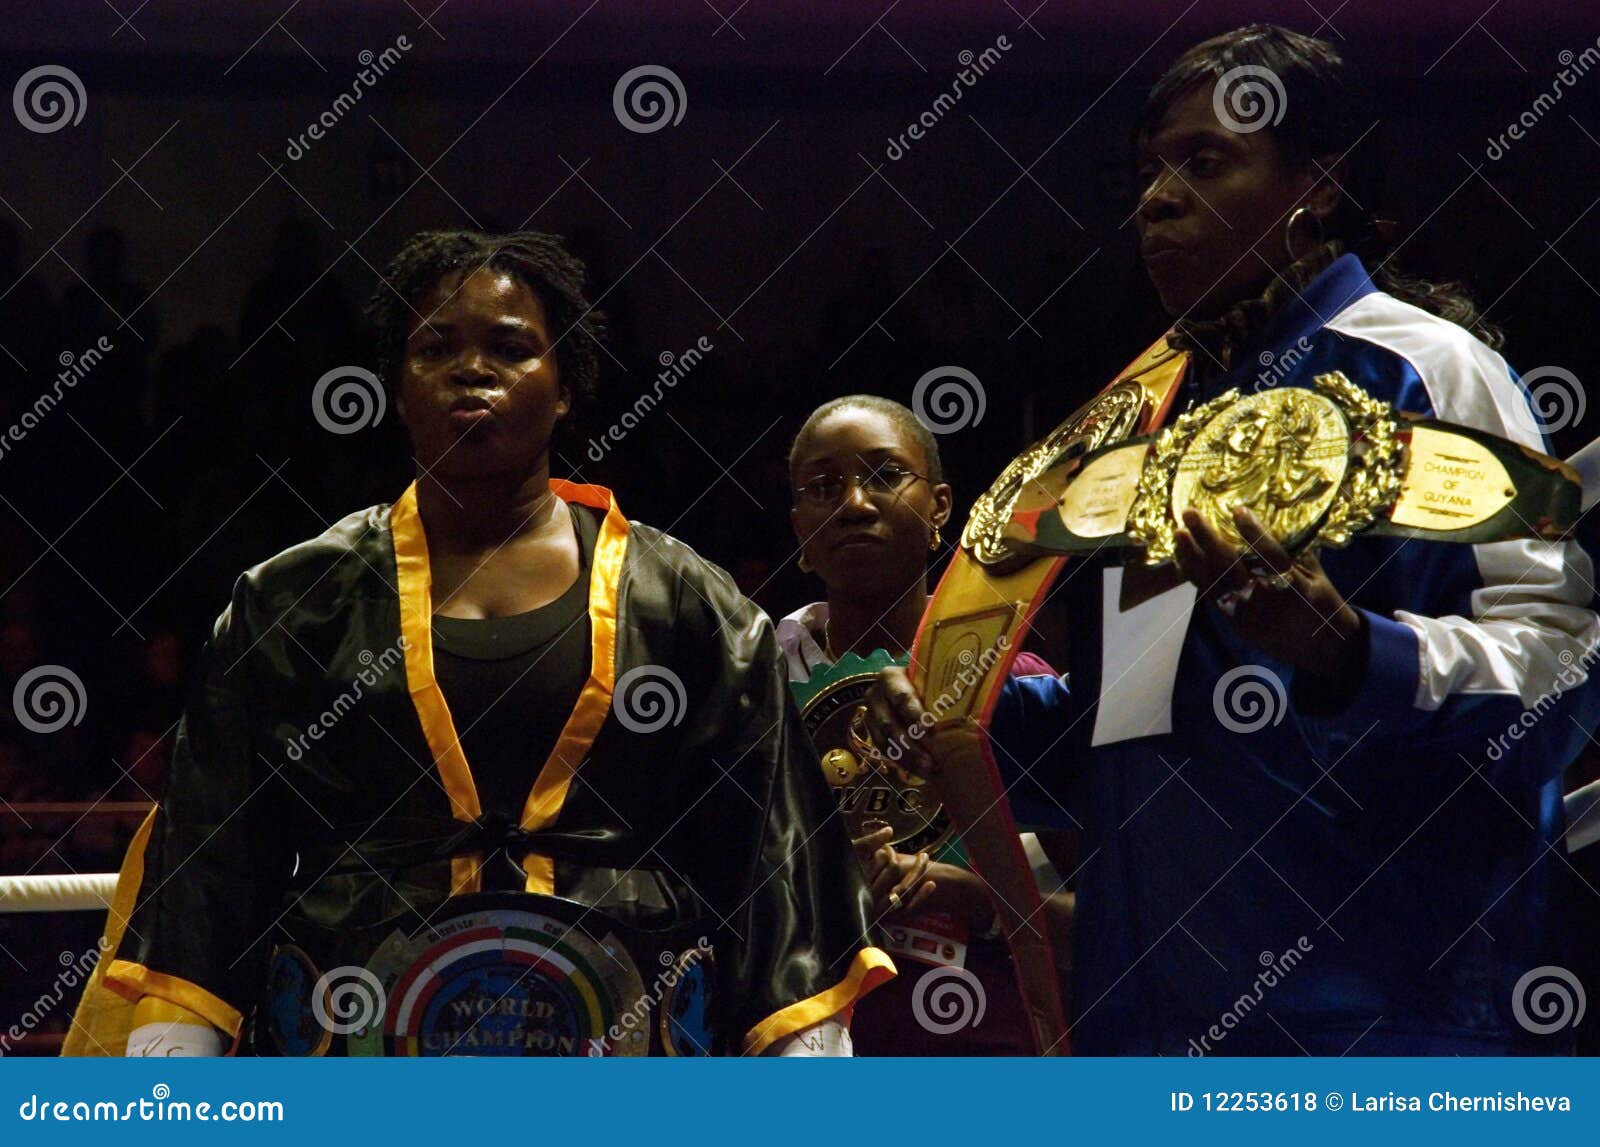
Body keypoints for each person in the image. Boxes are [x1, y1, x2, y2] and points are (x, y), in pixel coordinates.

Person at [871, 25, 1600, 1055]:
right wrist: (955, 725)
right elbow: (1133, 730)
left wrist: (1353, 654)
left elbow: (1560, 671)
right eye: (1148, 171)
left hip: (1391, 1025)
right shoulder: (1141, 424)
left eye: (1203, 162)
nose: (1156, 200)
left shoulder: (1426, 367)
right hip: (1149, 1022)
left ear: (1316, 183)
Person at [66, 229, 891, 1058]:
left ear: (565, 386)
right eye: (436, 347)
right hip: (356, 1064)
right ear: (396, 385)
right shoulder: (291, 603)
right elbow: (213, 873)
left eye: (511, 347)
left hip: (632, 1063)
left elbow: (772, 868)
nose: (473, 370)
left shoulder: (687, 603)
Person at [782, 394, 1072, 1054]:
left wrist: (979, 900)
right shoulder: (758, 686)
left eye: (885, 475)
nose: (855, 503)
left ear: (940, 506)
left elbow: (1113, 930)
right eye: (824, 487)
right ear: (799, 524)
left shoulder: (1016, 688)